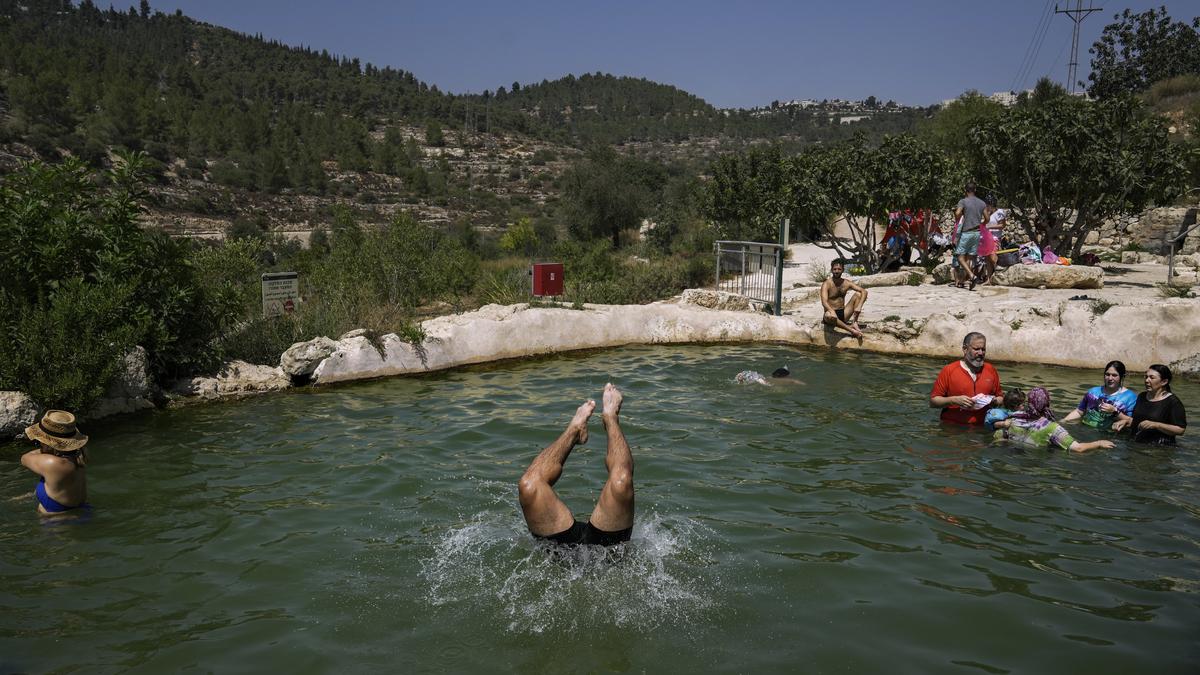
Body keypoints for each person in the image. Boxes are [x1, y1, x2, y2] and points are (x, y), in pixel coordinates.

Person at [518, 383, 634, 546]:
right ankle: (576, 430)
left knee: (622, 481)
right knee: (528, 486)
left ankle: (610, 418)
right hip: (564, 552)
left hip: (605, 553)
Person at [993, 387, 1115, 452]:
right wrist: (1098, 443)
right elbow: (1078, 448)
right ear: (1046, 403)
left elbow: (999, 435)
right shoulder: (1051, 427)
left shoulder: (1014, 418)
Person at [20, 410, 90, 514]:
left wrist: (45, 449)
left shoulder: (52, 463)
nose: (39, 444)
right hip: (84, 512)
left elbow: (24, 459)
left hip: (58, 522)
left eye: (39, 441)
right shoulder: (80, 456)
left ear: (49, 444)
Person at [930, 331, 1002, 425]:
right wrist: (954, 400)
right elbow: (933, 402)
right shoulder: (949, 370)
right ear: (965, 349)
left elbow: (1000, 397)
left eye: (983, 349)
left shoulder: (990, 370)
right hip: (952, 428)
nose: (981, 353)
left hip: (983, 427)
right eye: (976, 349)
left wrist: (994, 401)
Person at [1112, 364, 1187, 445]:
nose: (1147, 380)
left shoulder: (1173, 402)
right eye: (1146, 377)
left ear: (1164, 382)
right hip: (1135, 444)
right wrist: (1126, 422)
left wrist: (1156, 425)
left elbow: (1180, 430)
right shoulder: (1142, 396)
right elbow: (1138, 421)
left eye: (1152, 377)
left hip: (1159, 448)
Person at [1061, 360, 1138, 431]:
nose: (1110, 378)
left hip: (1109, 435)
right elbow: (1079, 411)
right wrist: (1063, 421)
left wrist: (1114, 411)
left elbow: (1131, 422)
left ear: (1122, 376)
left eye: (1114, 375)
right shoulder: (1093, 392)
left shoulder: (1130, 397)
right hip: (1085, 430)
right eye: (1107, 374)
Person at [820, 260, 868, 338]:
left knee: (858, 294)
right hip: (830, 314)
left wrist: (859, 306)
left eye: (839, 269)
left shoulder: (846, 283)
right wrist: (832, 311)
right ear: (831, 270)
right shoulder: (826, 284)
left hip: (843, 313)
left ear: (843, 270)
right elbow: (824, 302)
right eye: (835, 269)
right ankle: (852, 330)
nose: (837, 271)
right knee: (829, 315)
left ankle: (855, 323)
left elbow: (864, 291)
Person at [952, 183, 987, 290]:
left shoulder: (963, 201)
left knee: (959, 257)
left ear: (965, 190)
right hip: (977, 233)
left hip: (966, 232)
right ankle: (963, 280)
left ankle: (972, 276)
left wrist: (959, 214)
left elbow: (957, 214)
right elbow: (987, 218)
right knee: (969, 257)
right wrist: (981, 224)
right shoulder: (982, 203)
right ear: (975, 190)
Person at [735, 365, 804, 386]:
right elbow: (803, 384)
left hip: (762, 382)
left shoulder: (768, 377)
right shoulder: (791, 380)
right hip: (770, 386)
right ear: (785, 376)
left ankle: (742, 379)